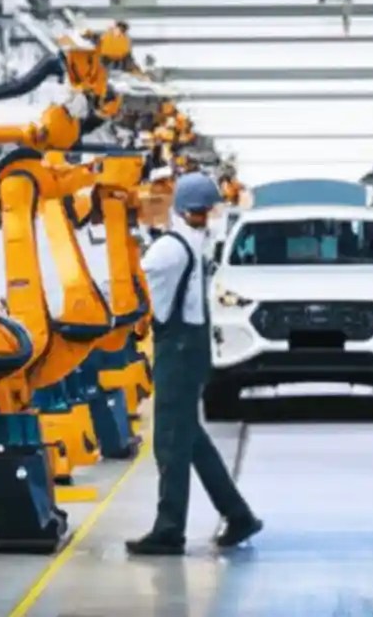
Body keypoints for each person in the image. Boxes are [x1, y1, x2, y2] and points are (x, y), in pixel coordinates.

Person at [126, 172, 263, 556]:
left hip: (180, 352)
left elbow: (137, 296)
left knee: (171, 442)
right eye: (201, 211)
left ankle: (169, 529)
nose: (205, 217)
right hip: (192, 348)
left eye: (207, 211)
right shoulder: (194, 245)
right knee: (191, 439)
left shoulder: (167, 250)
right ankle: (238, 515)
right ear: (187, 211)